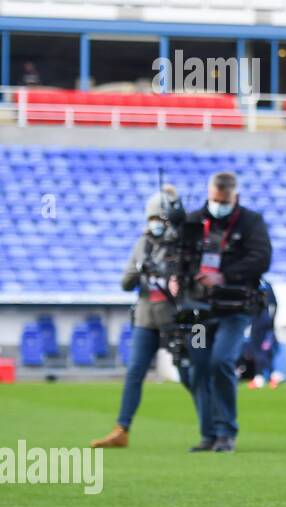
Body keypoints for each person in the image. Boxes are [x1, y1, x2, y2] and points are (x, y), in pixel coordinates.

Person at [181, 172, 272, 452]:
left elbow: (261, 259)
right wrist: (187, 275)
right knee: (197, 367)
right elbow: (181, 256)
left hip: (235, 308)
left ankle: (226, 432)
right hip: (198, 312)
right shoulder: (194, 220)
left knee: (221, 361)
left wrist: (224, 275)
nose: (217, 204)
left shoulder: (250, 221)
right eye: (213, 199)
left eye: (222, 200)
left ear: (235, 197)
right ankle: (209, 434)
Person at [90, 188, 181, 449]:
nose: (155, 223)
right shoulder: (142, 245)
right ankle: (122, 429)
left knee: (190, 373)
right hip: (145, 318)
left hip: (174, 318)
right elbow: (125, 282)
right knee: (135, 372)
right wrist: (142, 270)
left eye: (159, 218)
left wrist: (164, 269)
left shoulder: (179, 245)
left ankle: (213, 430)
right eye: (152, 218)